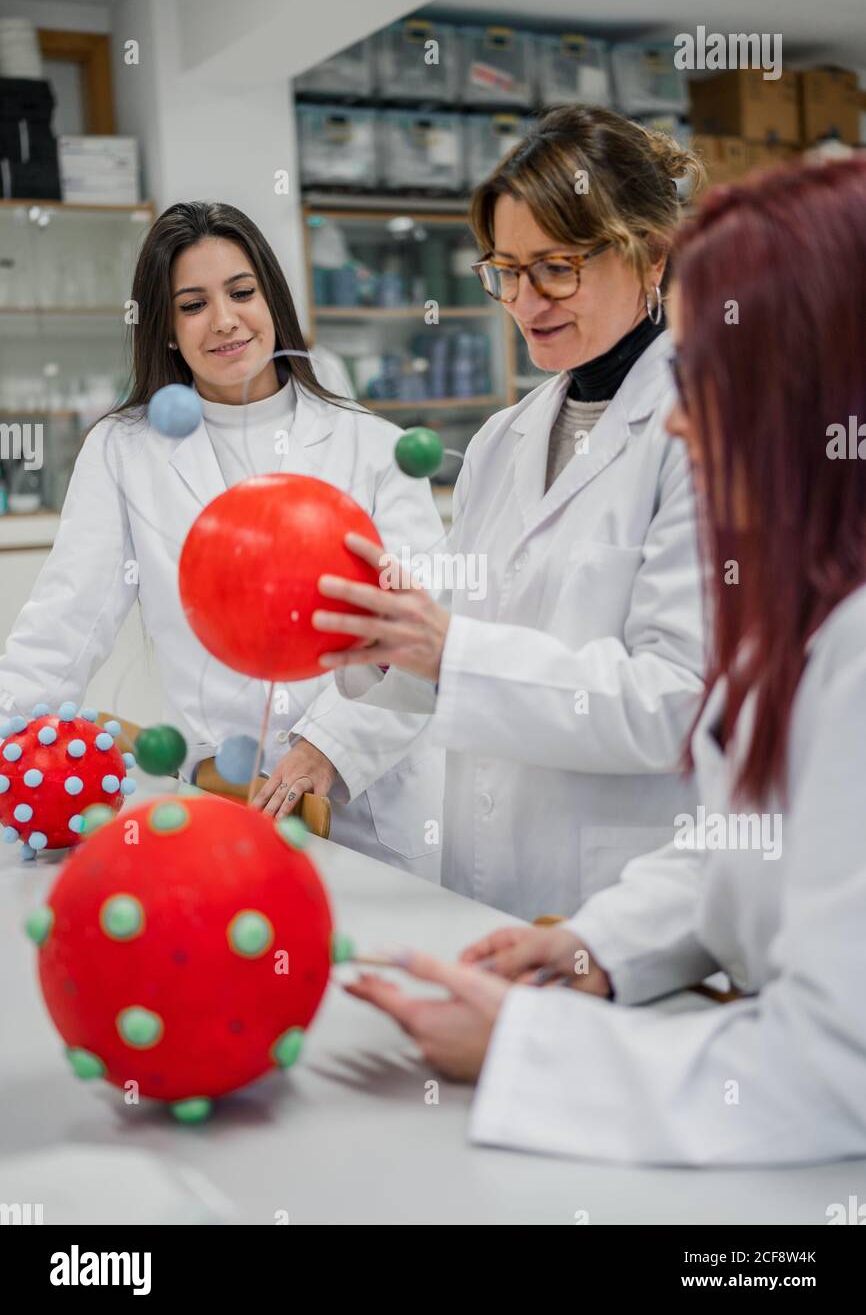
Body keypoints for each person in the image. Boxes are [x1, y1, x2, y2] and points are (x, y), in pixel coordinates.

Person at [344, 157, 866, 1166]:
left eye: (711, 377)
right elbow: (749, 837)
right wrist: (602, 944)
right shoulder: (808, 607)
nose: (678, 410)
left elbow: (835, 1063)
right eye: (506, 270)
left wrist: (532, 1051)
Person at [314, 106, 708, 920]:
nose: (526, 301)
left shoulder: (705, 430)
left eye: (556, 268)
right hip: (479, 876)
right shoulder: (504, 437)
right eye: (504, 270)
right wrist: (394, 633)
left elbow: (678, 700)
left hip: (619, 896)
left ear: (652, 256)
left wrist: (451, 649)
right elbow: (461, 636)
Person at [0, 201, 444, 876]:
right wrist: (8, 735)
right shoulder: (125, 451)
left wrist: (324, 747)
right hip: (220, 797)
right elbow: (64, 624)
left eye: (242, 292)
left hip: (369, 802)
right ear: (168, 329)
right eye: (193, 304)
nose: (225, 320)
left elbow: (420, 634)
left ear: (273, 300)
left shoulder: (371, 445)